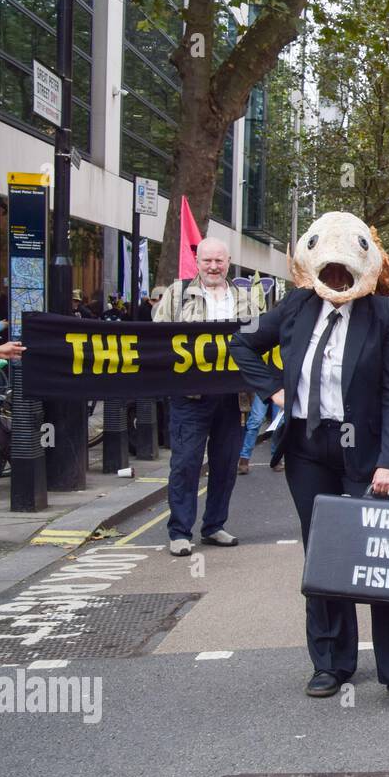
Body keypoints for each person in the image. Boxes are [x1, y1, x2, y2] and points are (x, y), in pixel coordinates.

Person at [230, 211, 389, 711]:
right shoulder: (295, 306)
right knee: (323, 553)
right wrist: (274, 390)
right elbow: (243, 342)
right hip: (308, 448)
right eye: (330, 269)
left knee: (382, 557)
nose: (336, 278)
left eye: (346, 269)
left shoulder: (388, 318)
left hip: (366, 452)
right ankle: (330, 662)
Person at [152, 237, 259, 557]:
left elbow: (259, 340)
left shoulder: (245, 298)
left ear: (229, 263)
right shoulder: (178, 293)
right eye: (207, 261)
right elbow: (157, 338)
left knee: (225, 465)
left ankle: (214, 526)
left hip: (233, 397)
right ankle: (180, 531)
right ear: (197, 263)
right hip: (190, 396)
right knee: (185, 463)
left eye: (219, 261)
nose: (213, 267)